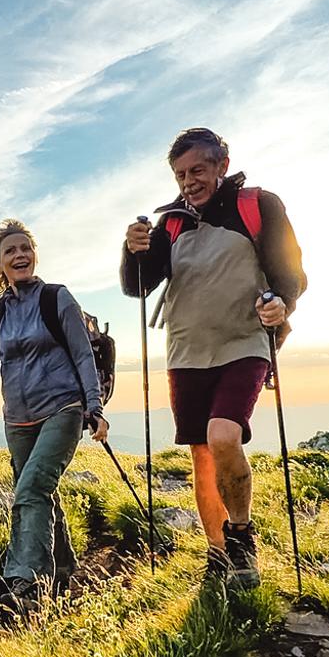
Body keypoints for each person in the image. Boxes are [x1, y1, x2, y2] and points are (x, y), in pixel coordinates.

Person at [121, 127, 306, 589]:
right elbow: (138, 286)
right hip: (186, 351)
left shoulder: (258, 205)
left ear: (222, 164)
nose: (189, 181)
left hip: (244, 342)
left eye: (198, 170)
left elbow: (291, 274)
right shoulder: (172, 223)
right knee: (203, 452)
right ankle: (218, 555)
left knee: (223, 435)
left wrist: (281, 302)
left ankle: (241, 535)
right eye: (181, 174)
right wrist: (133, 251)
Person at [0, 220, 110, 605]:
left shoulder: (57, 298)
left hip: (63, 409)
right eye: (10, 251)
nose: (20, 255)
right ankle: (63, 573)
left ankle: (27, 581)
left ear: (34, 254)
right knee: (40, 492)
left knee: (31, 488)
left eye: (26, 248)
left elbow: (83, 356)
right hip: (17, 419)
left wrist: (94, 407)